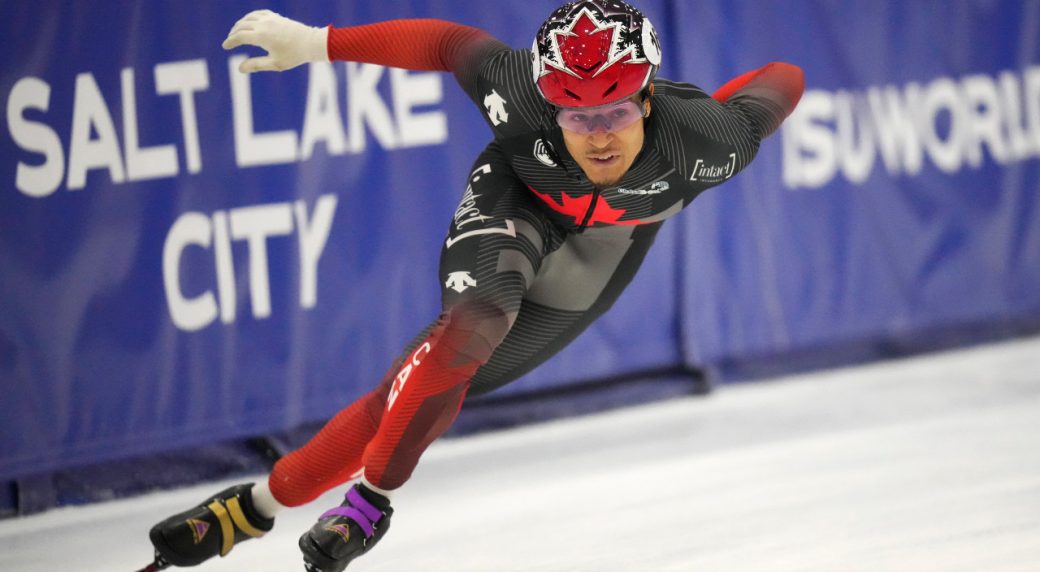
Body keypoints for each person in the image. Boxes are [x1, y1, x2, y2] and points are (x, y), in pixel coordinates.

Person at [146, 2, 804, 570]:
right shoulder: (516, 88)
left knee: (421, 386)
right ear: (548, 102)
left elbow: (782, 80)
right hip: (517, 201)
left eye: (616, 112)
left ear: (650, 97)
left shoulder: (707, 141)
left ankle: (252, 508)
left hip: (601, 255)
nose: (599, 137)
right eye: (575, 117)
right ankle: (360, 504)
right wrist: (316, 43)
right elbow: (445, 43)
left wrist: (710, 103)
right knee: (467, 333)